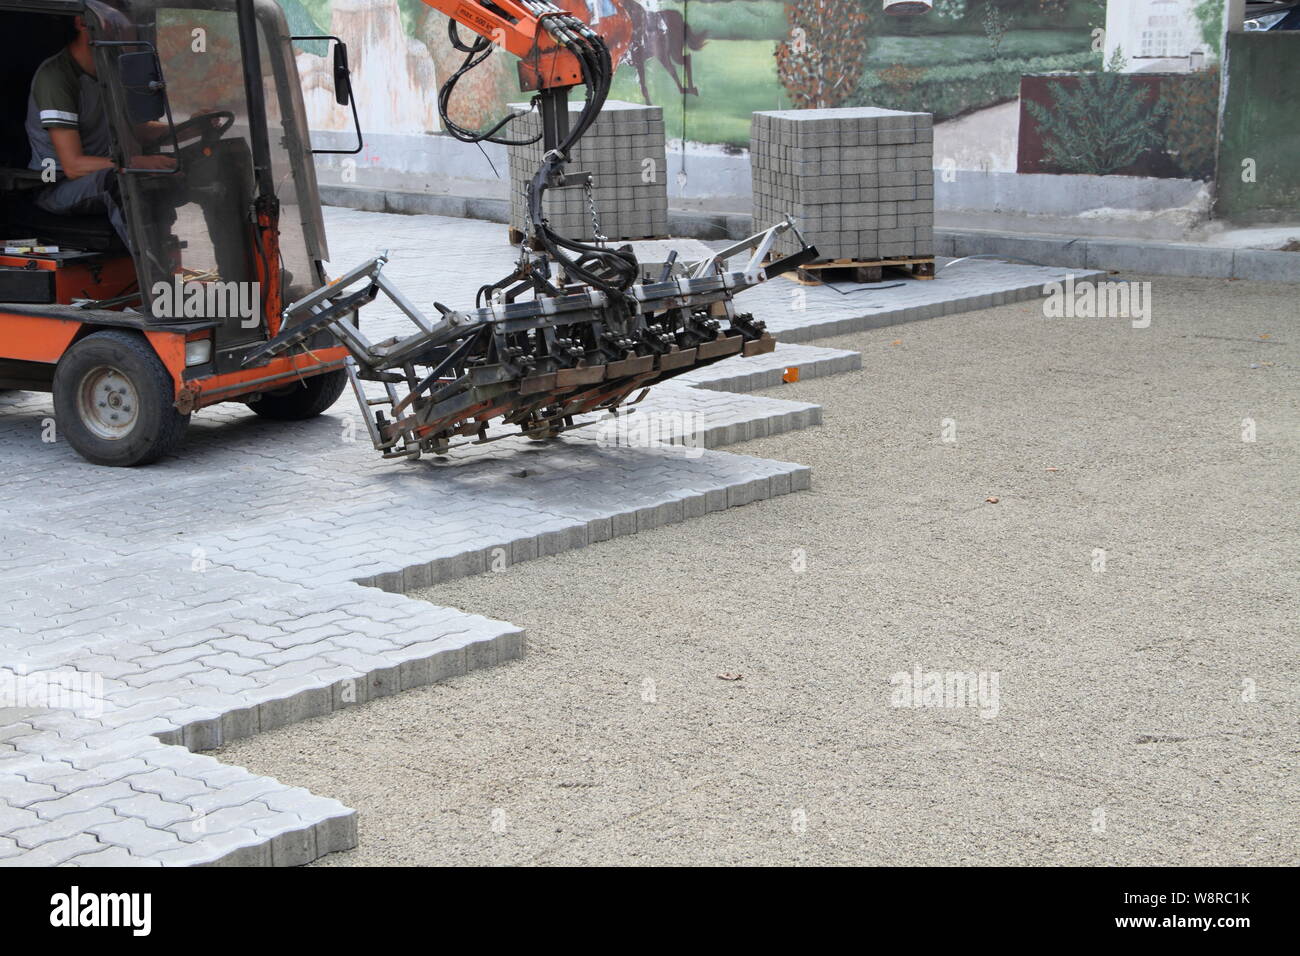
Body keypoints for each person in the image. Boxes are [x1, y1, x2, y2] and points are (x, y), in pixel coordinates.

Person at [25, 13, 174, 249]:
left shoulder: (112, 67)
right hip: (58, 187)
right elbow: (73, 166)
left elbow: (134, 130)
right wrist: (136, 163)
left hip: (104, 171)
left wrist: (187, 130)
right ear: (82, 22)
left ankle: (238, 274)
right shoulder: (56, 77)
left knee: (209, 159)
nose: (124, 23)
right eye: (112, 16)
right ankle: (155, 277)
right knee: (119, 181)